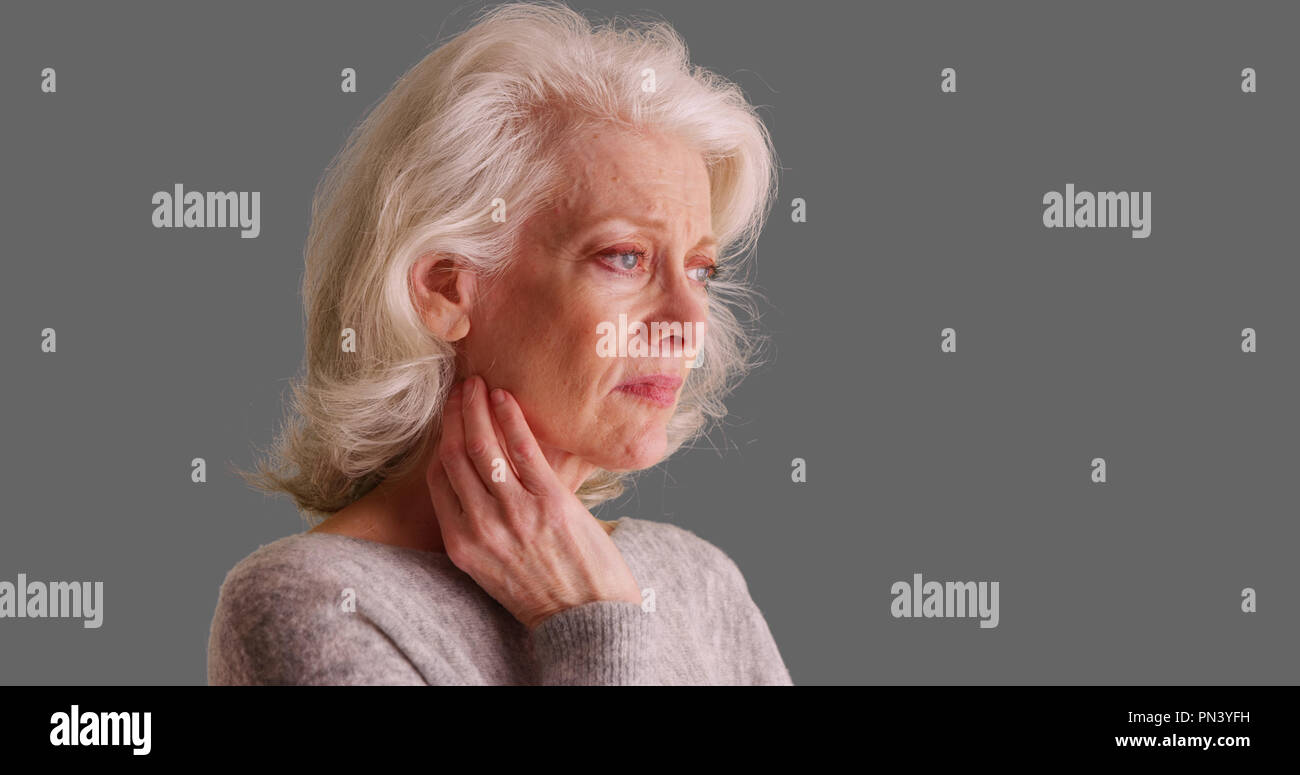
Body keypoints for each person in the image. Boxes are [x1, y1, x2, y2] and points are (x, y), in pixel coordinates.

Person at [207, 0, 790, 685]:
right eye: (625, 258)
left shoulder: (700, 581)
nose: (689, 321)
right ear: (448, 287)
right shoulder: (313, 600)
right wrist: (591, 624)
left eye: (700, 269)